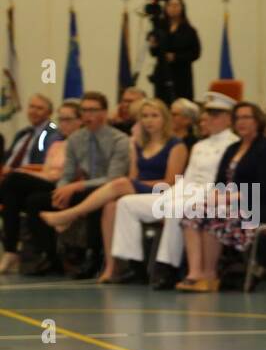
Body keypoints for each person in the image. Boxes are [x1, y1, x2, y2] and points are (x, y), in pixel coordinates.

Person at [39, 97, 187, 283]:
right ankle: (113, 267)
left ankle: (70, 215)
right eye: (145, 116)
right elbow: (133, 177)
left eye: (154, 116)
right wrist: (132, 185)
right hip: (138, 192)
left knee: (120, 183)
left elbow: (170, 181)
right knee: (110, 206)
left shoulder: (176, 145)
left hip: (165, 192)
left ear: (164, 119)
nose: (149, 120)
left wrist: (134, 185)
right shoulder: (138, 145)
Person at [108, 90, 238, 288]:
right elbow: (187, 179)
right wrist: (170, 195)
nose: (207, 120)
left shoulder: (234, 144)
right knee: (126, 203)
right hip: (185, 191)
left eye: (215, 115)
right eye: (207, 115)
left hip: (210, 197)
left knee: (177, 209)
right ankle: (133, 264)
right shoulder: (200, 146)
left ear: (228, 119)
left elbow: (223, 182)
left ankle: (166, 267)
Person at [21, 91, 130, 277]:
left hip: (108, 188)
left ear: (104, 112)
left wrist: (76, 186)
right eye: (84, 110)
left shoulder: (119, 140)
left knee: (97, 200)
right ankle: (51, 256)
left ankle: (94, 257)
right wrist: (61, 190)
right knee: (35, 201)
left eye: (93, 110)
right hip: (81, 187)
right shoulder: (75, 139)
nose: (88, 115)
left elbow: (113, 177)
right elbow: (68, 174)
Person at [176, 101, 266, 291]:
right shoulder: (232, 148)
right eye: (237, 118)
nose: (241, 122)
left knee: (214, 216)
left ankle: (210, 275)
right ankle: (195, 273)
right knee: (191, 211)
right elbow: (219, 183)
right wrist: (212, 198)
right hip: (230, 204)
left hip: (258, 207)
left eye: (246, 117)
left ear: (258, 120)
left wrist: (224, 199)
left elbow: (262, 188)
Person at [0, 100, 77, 274]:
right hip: (41, 181)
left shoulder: (54, 136)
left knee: (12, 182)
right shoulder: (51, 143)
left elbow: (63, 172)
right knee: (21, 196)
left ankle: (11, 249)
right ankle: (14, 250)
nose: (63, 124)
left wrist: (22, 172)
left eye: (68, 119)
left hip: (62, 184)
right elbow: (45, 170)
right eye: (61, 119)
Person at [147, 0, 201, 104]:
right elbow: (154, 53)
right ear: (165, 8)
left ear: (182, 8)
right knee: (161, 104)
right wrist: (153, 45)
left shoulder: (189, 30)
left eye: (176, 5)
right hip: (162, 73)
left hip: (181, 75)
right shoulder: (160, 27)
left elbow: (195, 53)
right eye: (170, 5)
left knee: (181, 103)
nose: (173, 8)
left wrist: (176, 57)